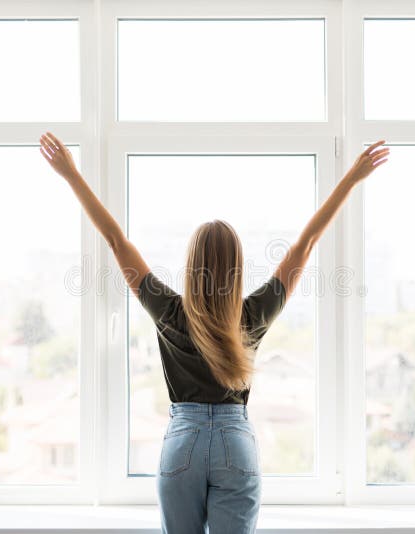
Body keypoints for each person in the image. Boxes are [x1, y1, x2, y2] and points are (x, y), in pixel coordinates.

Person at [39, 132, 389, 533]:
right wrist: (352, 178)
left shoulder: (169, 310)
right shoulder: (252, 314)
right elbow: (305, 245)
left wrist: (71, 174)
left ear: (191, 265)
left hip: (181, 447)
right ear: (237, 269)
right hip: (234, 446)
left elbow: (117, 242)